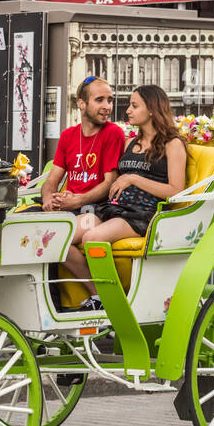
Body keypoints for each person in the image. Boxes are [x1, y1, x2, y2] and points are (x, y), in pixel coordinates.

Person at [61, 84, 186, 311]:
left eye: (134, 105)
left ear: (152, 110)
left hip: (140, 214)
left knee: (92, 238)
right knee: (59, 236)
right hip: (110, 209)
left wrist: (134, 180)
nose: (127, 110)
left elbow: (176, 190)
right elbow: (111, 176)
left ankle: (113, 300)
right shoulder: (131, 143)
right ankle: (98, 294)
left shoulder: (173, 144)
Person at [41, 76, 126, 213]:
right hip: (67, 204)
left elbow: (110, 182)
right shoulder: (67, 135)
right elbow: (52, 180)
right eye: (100, 100)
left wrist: (77, 201)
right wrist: (48, 200)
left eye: (110, 100)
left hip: (96, 207)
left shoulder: (114, 133)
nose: (107, 106)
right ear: (81, 104)